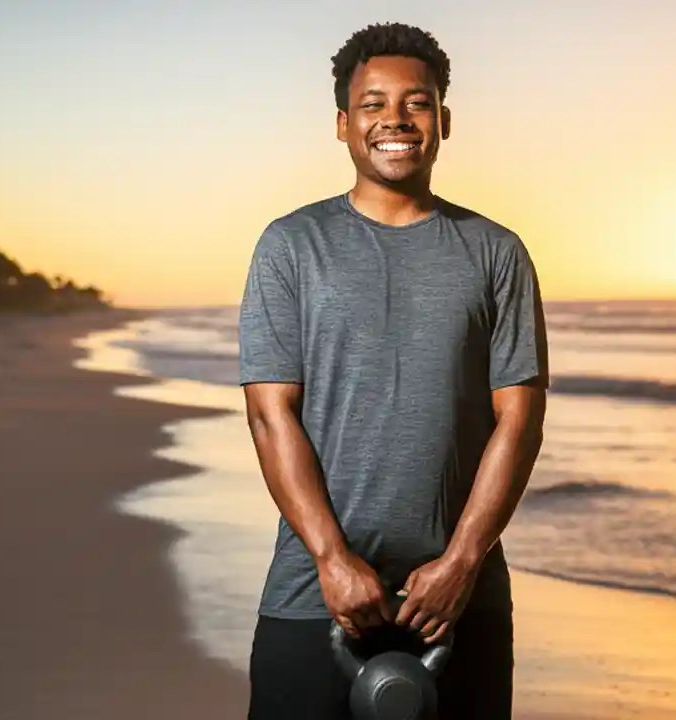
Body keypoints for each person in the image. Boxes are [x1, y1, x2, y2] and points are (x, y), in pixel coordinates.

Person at [238, 21, 549, 720]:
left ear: (443, 120)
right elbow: (269, 413)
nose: (395, 119)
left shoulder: (496, 252)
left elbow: (520, 420)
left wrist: (462, 564)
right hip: (311, 593)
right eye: (374, 104)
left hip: (458, 603)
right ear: (344, 124)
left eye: (416, 102)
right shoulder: (292, 246)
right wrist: (331, 559)